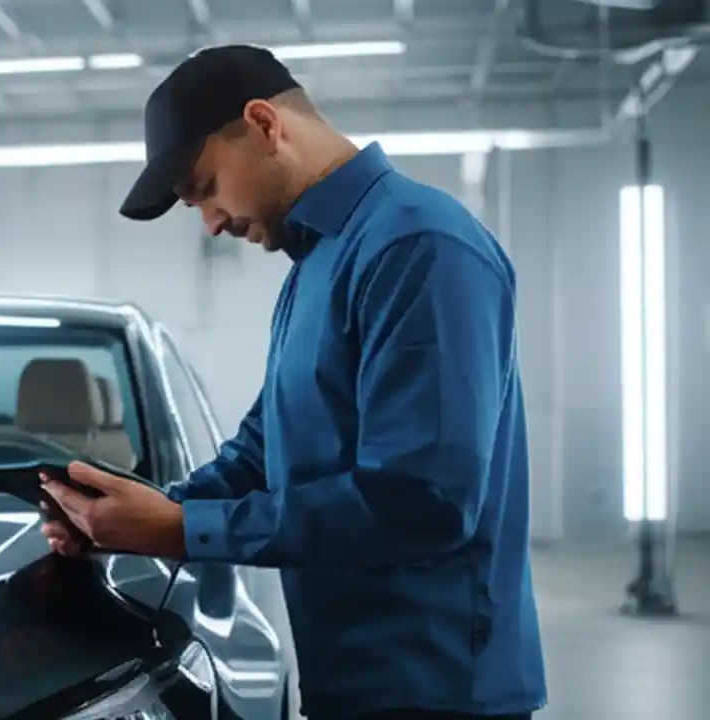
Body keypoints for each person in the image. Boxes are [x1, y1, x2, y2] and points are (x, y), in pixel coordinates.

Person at [39, 44, 547, 720]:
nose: (212, 223)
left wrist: (185, 530)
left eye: (205, 190)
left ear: (264, 125)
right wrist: (133, 514)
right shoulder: (318, 264)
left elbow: (422, 501)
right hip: (355, 681)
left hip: (435, 690)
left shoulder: (418, 247)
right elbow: (265, 446)